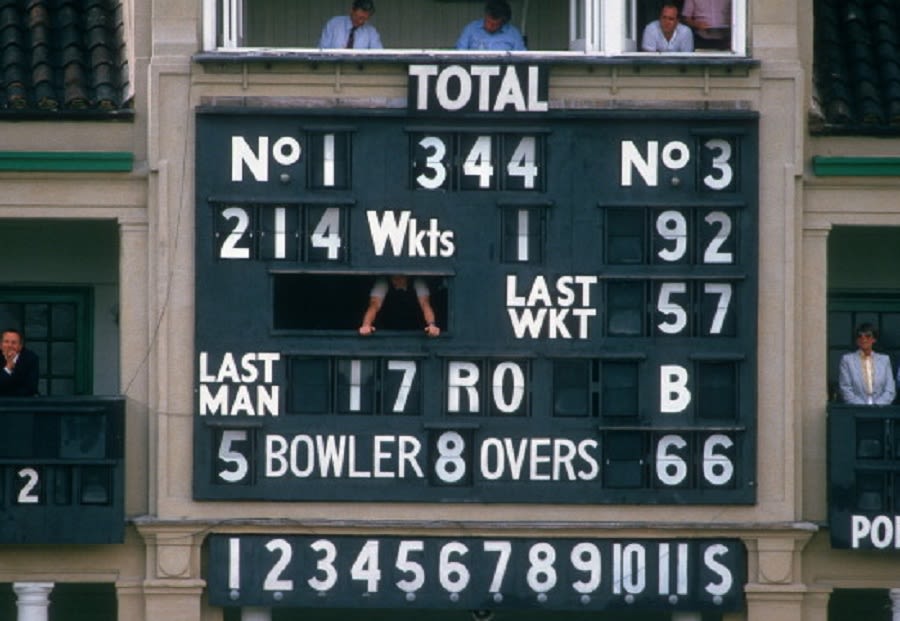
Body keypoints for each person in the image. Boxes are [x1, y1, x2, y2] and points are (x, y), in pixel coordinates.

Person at [359, 275, 441, 337]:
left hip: (414, 325)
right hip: (387, 325)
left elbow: (425, 304)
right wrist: (366, 324)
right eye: (394, 277)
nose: (397, 279)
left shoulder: (417, 282)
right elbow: (374, 304)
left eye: (401, 276)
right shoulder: (383, 282)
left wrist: (431, 325)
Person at [838, 323, 895, 405]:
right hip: (856, 410)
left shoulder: (884, 360)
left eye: (868, 336)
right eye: (860, 336)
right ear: (857, 340)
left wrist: (877, 406)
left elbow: (890, 390)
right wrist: (863, 408)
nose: (863, 339)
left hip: (881, 410)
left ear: (874, 339)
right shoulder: (847, 360)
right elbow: (845, 389)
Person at [455, 0, 526, 51]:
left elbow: (523, 59)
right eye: (487, 21)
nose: (489, 26)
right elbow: (459, 53)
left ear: (503, 23)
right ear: (485, 15)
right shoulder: (471, 29)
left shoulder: (513, 34)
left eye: (494, 24)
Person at [318, 0, 383, 50]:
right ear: (352, 10)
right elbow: (322, 51)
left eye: (365, 19)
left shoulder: (371, 32)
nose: (361, 21)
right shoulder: (334, 24)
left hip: (359, 67)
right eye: (360, 18)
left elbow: (378, 55)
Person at [0, 328, 39, 396]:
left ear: (20, 346)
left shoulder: (31, 358)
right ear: (0, 345)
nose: (10, 345)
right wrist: (8, 367)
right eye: (6, 342)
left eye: (14, 342)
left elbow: (31, 388)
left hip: (23, 402)